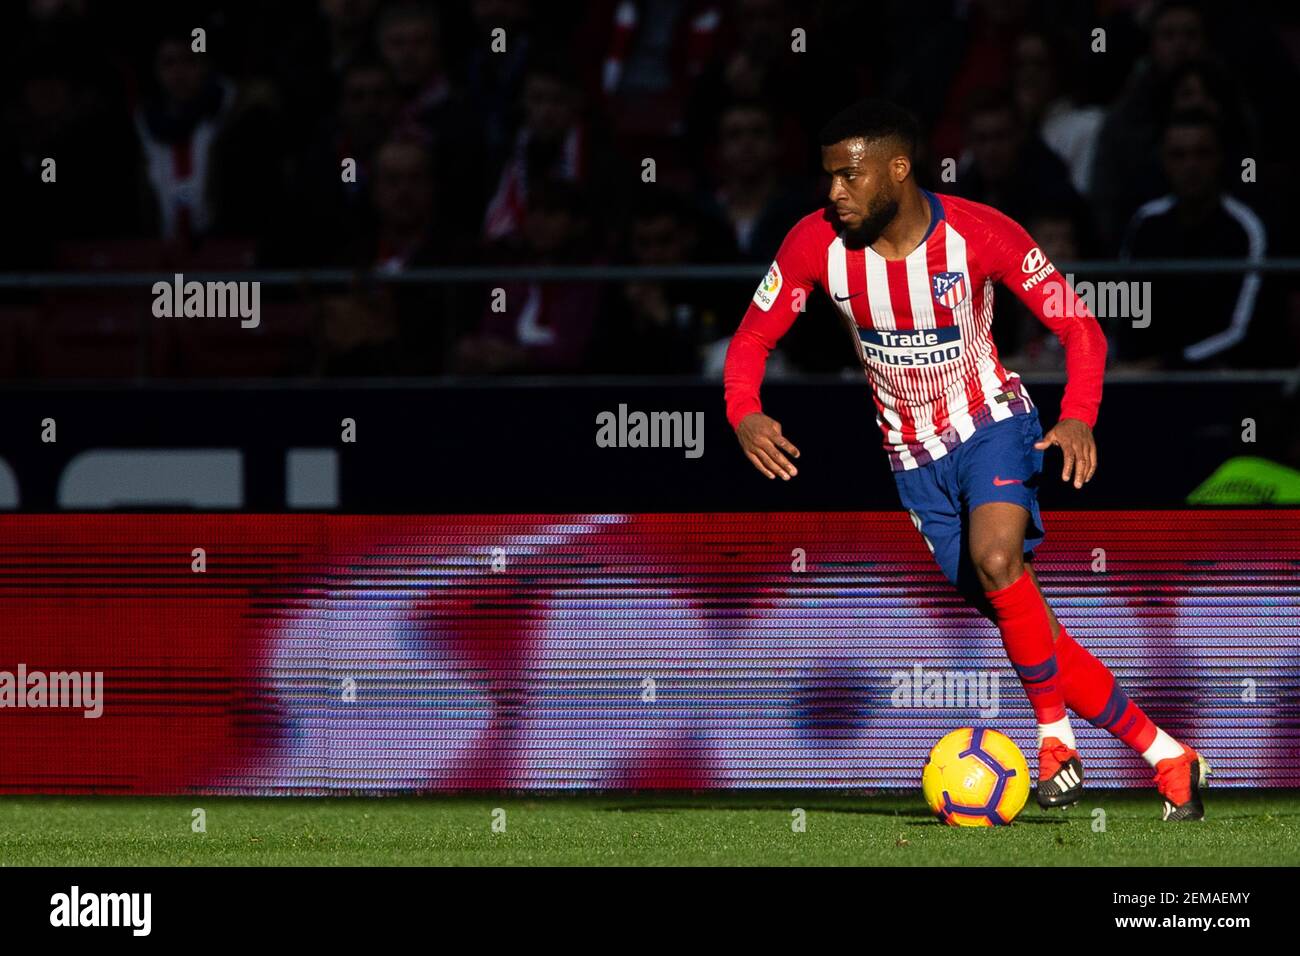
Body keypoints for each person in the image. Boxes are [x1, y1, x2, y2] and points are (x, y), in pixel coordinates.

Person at [723, 98, 1208, 821]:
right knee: (1025, 619)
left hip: (992, 425)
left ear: (898, 168)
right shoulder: (812, 243)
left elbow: (1080, 328)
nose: (835, 192)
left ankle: (1054, 739)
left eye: (850, 176)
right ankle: (1169, 756)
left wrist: (1078, 417)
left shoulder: (980, 233)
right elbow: (752, 338)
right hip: (913, 461)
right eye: (829, 176)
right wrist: (744, 410)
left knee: (997, 558)